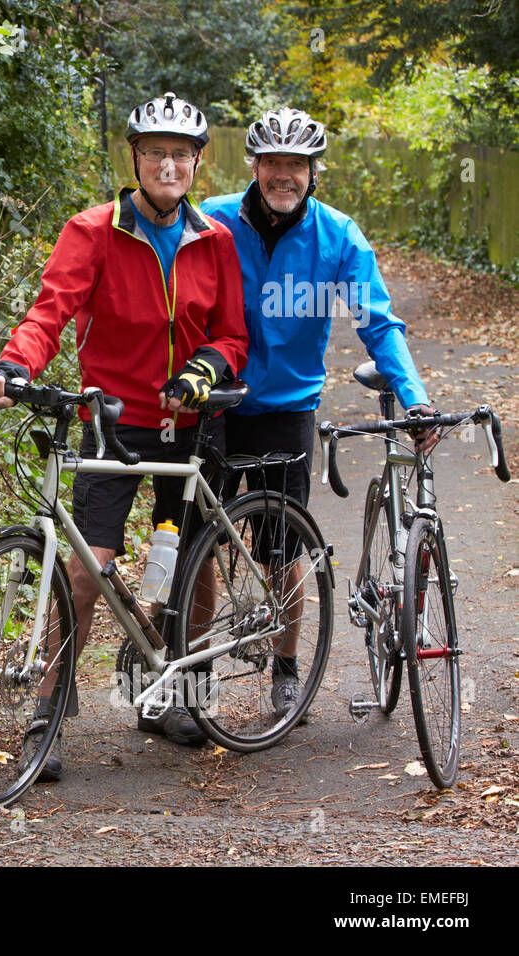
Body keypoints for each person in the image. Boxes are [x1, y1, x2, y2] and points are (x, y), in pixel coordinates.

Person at [0, 93, 248, 778]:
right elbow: (49, 313)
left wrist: (200, 373)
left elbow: (233, 337)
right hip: (113, 425)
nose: (169, 164)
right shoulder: (93, 230)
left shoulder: (215, 240)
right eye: (156, 152)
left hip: (186, 428)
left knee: (192, 566)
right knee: (86, 569)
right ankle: (49, 712)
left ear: (196, 164)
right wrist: (13, 367)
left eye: (181, 153)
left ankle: (176, 691)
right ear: (136, 159)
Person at [200, 108, 437, 718]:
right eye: (272, 162)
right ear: (254, 166)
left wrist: (414, 396)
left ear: (313, 171)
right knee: (198, 539)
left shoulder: (339, 237)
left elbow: (378, 323)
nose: (284, 175)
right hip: (216, 403)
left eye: (296, 164)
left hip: (287, 407)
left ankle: (285, 668)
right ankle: (188, 673)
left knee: (284, 546)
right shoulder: (214, 220)